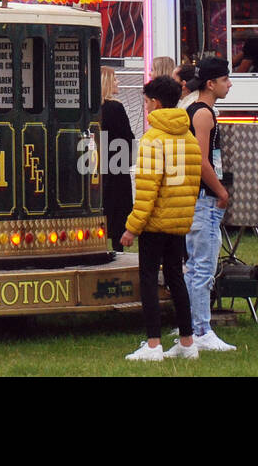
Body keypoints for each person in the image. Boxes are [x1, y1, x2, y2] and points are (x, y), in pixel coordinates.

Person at [120, 76, 201, 361]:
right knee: (176, 277)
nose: (145, 108)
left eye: (145, 102)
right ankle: (188, 342)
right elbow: (192, 181)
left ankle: (153, 344)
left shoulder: (153, 139)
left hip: (155, 222)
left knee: (148, 278)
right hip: (180, 221)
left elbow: (147, 190)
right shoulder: (189, 137)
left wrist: (132, 227)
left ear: (155, 102)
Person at [181, 56, 236, 353]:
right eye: (225, 79)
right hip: (204, 198)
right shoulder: (203, 114)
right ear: (211, 84)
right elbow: (202, 161)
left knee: (193, 266)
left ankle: (189, 325)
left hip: (195, 197)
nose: (230, 84)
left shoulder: (192, 109)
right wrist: (221, 191)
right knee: (203, 266)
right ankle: (201, 329)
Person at [100, 67, 134, 252]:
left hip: (98, 166)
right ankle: (117, 252)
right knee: (118, 215)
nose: (118, 83)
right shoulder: (116, 107)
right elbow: (127, 137)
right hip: (117, 167)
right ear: (106, 82)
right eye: (114, 80)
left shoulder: (94, 109)